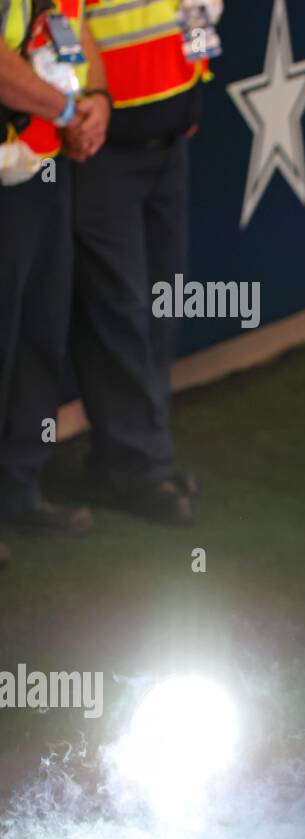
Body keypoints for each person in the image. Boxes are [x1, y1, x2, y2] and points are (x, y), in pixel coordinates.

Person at [59, 0, 214, 524]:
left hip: (168, 142)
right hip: (102, 150)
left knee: (158, 307)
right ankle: (137, 465)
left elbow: (194, 11)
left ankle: (134, 455)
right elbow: (65, 25)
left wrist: (192, 85)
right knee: (117, 309)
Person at [0, 0, 108, 566]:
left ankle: (18, 490)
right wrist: (70, 108)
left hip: (44, 170)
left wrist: (98, 103)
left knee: (40, 339)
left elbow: (79, 27)